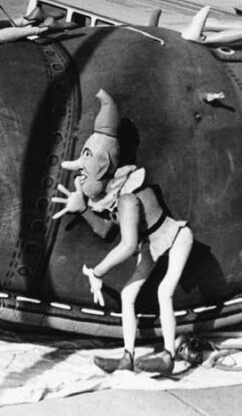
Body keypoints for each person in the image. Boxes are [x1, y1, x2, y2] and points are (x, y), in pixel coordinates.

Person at [52, 89, 194, 376]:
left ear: (103, 168)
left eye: (86, 168)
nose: (80, 175)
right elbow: (106, 230)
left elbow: (128, 245)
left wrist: (98, 271)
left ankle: (168, 355)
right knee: (129, 296)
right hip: (151, 246)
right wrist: (82, 209)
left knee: (164, 291)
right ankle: (127, 356)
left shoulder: (128, 198)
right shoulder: (116, 197)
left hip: (175, 238)